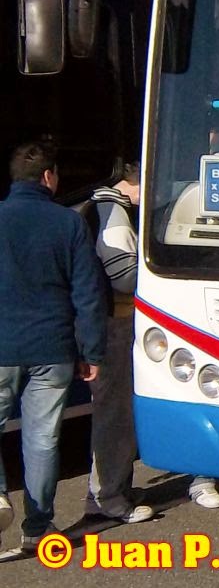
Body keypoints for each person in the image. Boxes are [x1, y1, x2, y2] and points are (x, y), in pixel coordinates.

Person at [0, 140, 107, 551]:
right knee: (42, 438)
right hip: (54, 349)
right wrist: (91, 351)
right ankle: (37, 527)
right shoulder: (68, 223)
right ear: (48, 177)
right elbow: (88, 293)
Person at [83, 161, 154, 524]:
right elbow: (124, 276)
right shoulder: (113, 211)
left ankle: (109, 491)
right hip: (114, 324)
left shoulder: (103, 205)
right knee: (114, 414)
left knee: (112, 412)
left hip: (102, 322)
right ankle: (108, 498)